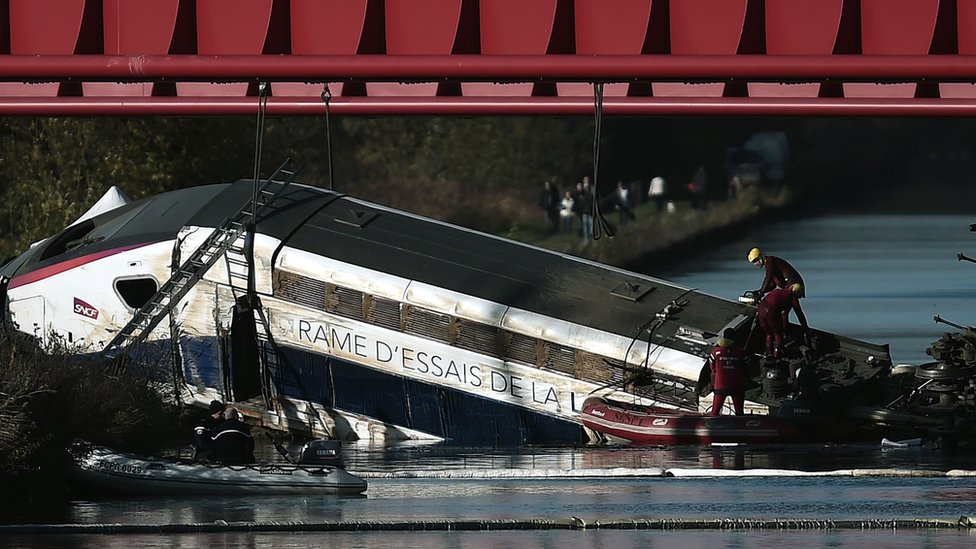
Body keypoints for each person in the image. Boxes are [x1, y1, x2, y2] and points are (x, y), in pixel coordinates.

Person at [705, 328, 750, 416]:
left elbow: (712, 367)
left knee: (714, 412)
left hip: (720, 385)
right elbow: (747, 366)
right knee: (739, 413)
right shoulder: (740, 352)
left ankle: (712, 423)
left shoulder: (716, 352)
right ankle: (740, 423)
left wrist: (716, 374)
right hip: (737, 386)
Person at [757, 283, 809, 359]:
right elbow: (799, 314)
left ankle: (768, 354)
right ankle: (776, 355)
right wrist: (805, 328)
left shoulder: (779, 291)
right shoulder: (792, 298)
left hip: (761, 309)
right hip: (771, 312)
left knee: (769, 334)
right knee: (778, 334)